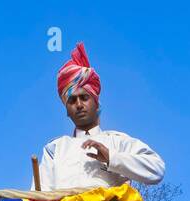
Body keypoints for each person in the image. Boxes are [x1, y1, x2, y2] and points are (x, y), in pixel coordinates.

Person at [38, 43, 165, 192]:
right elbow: (40, 195)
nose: (78, 104)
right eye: (72, 101)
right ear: (67, 110)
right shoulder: (55, 148)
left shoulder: (117, 141)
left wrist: (112, 158)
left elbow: (156, 170)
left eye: (84, 98)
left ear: (96, 104)